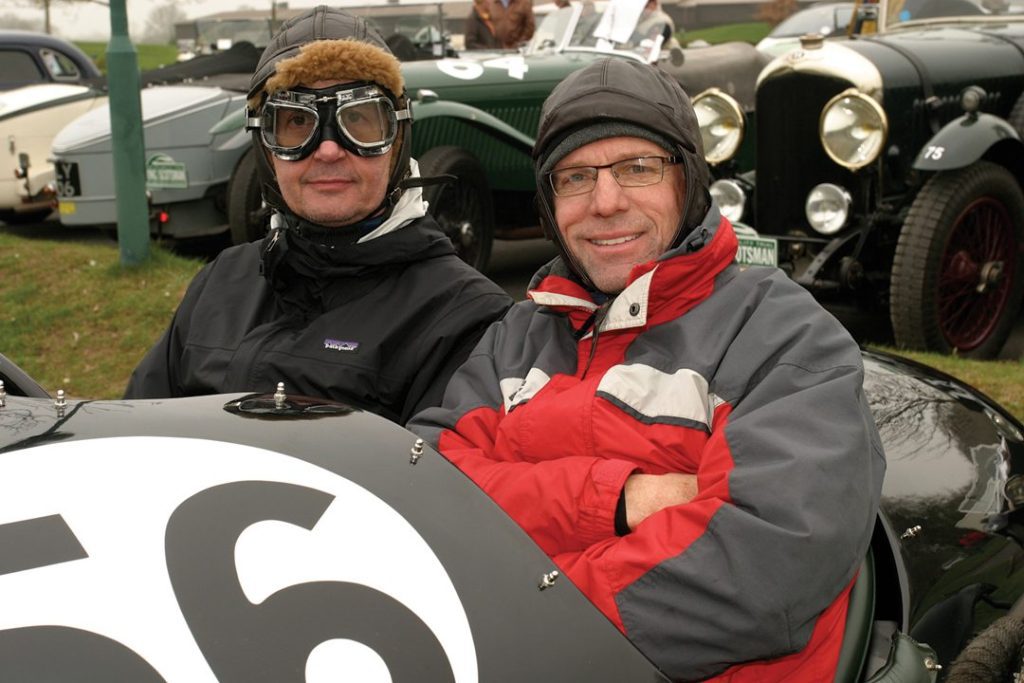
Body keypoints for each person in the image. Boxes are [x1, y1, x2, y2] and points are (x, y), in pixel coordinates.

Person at [409, 58, 884, 681]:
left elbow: (761, 567)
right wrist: (621, 500)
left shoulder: (781, 335)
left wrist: (510, 606)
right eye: (575, 177)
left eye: (637, 168)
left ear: (688, 182)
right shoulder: (515, 337)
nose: (605, 202)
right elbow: (422, 494)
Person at [123, 6, 513, 426]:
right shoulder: (222, 282)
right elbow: (138, 436)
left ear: (397, 142)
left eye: (359, 120)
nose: (328, 149)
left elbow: (430, 482)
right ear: (267, 151)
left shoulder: (463, 317)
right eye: (296, 122)